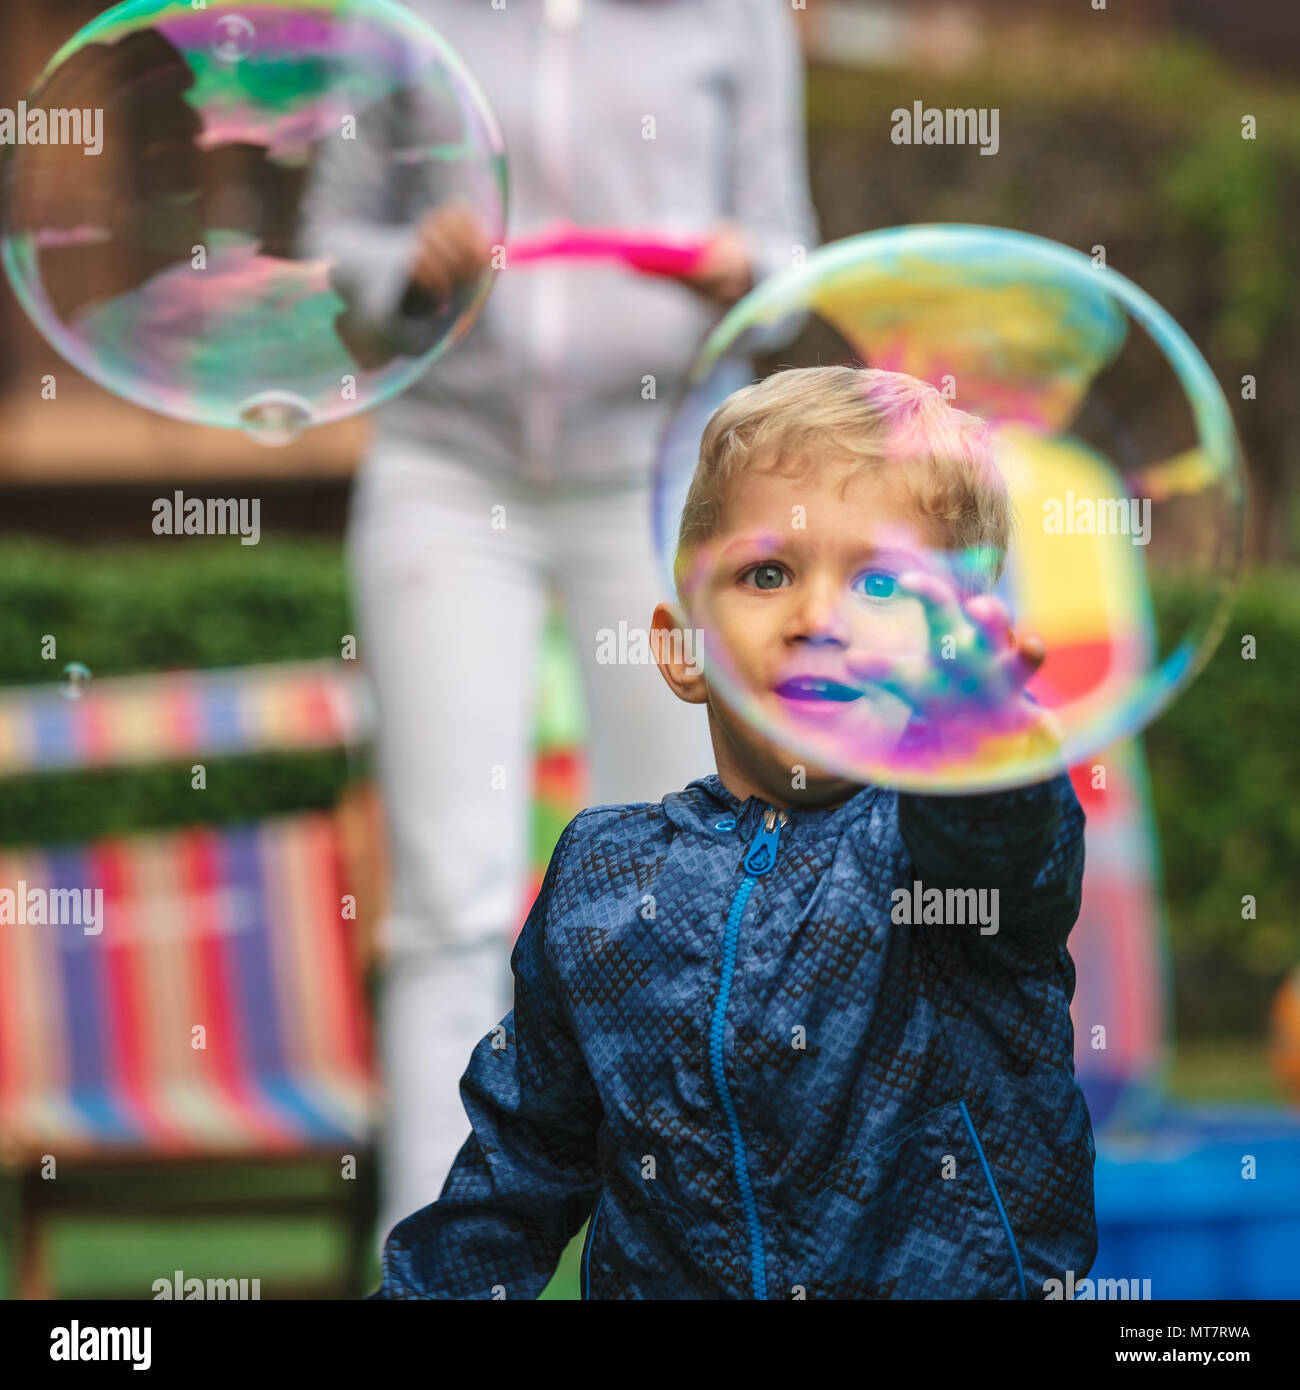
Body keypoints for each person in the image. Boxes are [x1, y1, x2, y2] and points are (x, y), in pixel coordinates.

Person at [369, 366, 1097, 1300]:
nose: (816, 617)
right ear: (681, 647)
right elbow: (521, 1158)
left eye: (880, 581)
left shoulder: (938, 847)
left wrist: (987, 749)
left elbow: (1008, 844)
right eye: (767, 573)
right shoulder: (603, 873)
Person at [297, 0, 819, 1245]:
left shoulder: (736, 17)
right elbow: (336, 251)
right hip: (444, 471)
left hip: (666, 468)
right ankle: (435, 1262)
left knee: (682, 888)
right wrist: (407, 266)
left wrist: (746, 268)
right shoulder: (402, 16)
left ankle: (684, 1249)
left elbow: (795, 264)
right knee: (448, 904)